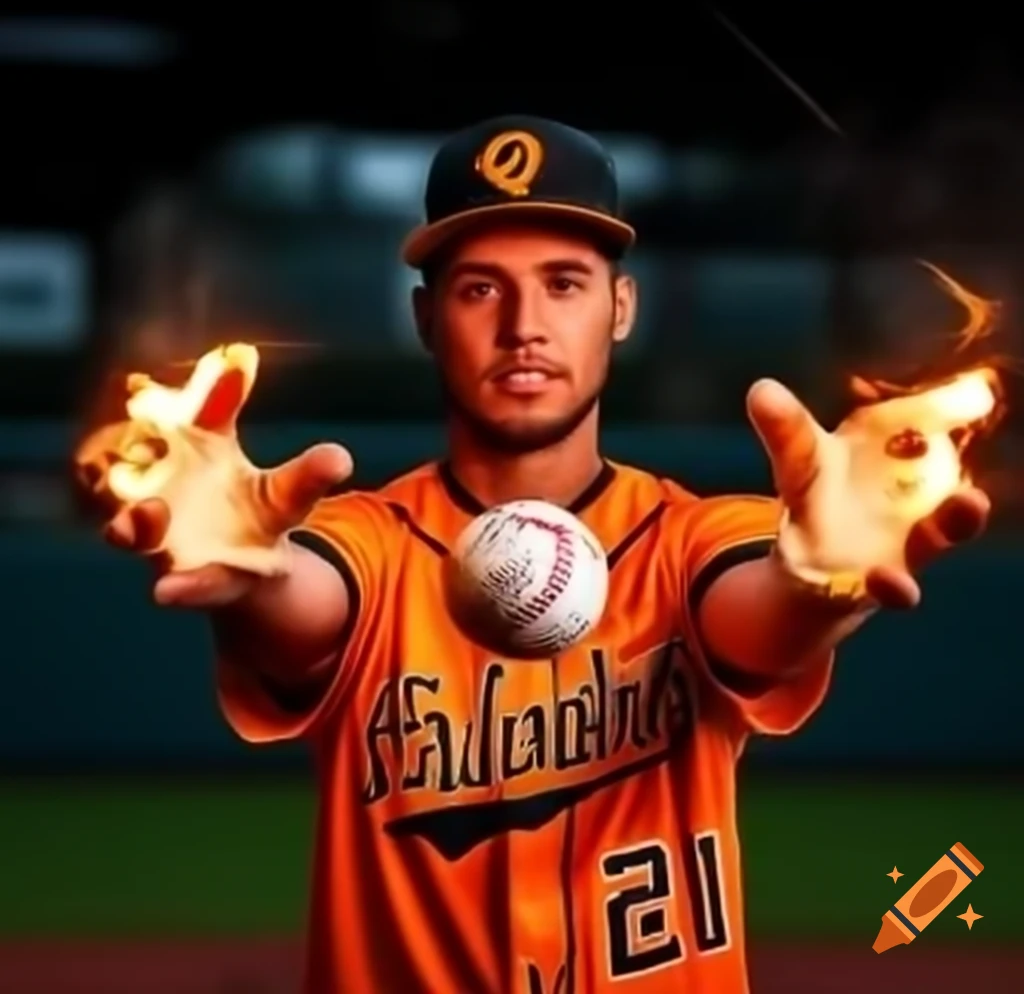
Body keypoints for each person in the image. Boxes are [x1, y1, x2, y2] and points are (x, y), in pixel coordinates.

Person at [93, 116, 990, 994]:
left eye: (564, 283)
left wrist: (814, 583)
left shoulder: (695, 538)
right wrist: (253, 576)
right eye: (480, 287)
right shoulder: (368, 541)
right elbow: (305, 602)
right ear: (426, 316)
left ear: (621, 307)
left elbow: (756, 622)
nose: (524, 322)